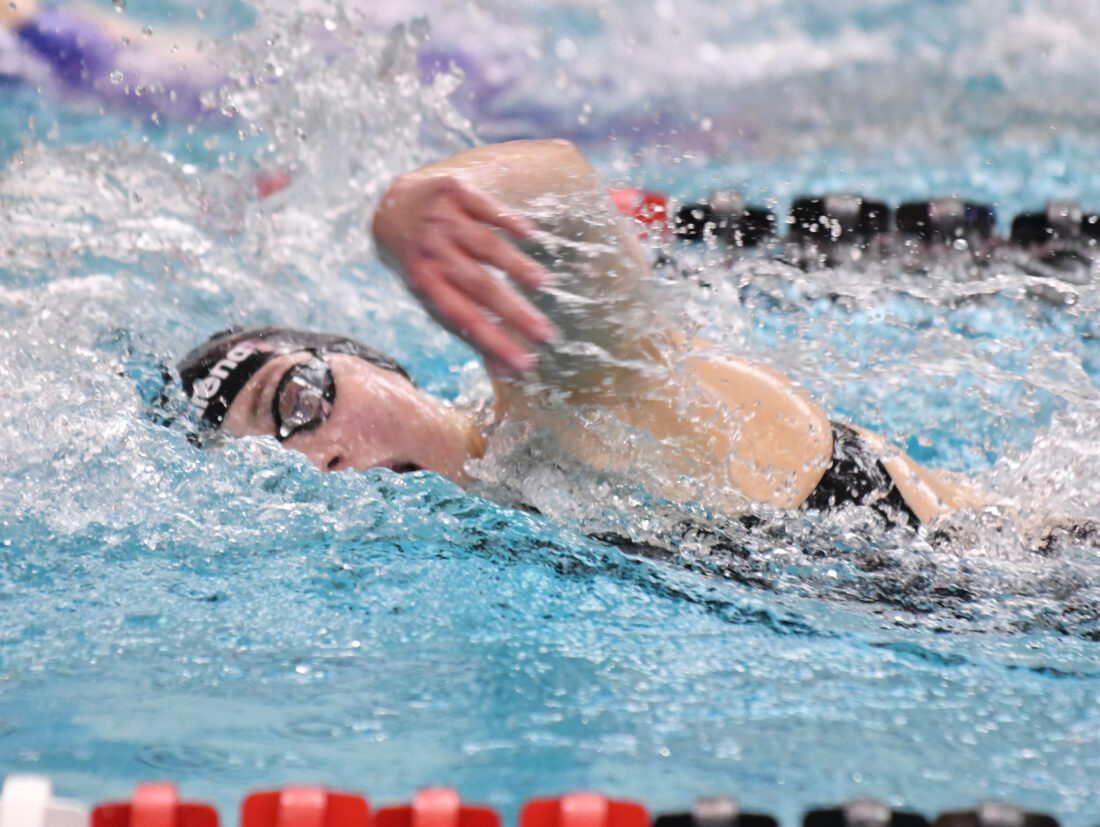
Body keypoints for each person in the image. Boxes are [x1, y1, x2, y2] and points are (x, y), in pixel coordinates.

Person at [179, 139, 991, 527]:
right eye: (272, 465)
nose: (318, 458)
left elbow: (563, 195)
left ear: (373, 362)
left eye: (296, 401)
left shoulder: (561, 414)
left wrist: (408, 208)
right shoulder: (512, 503)